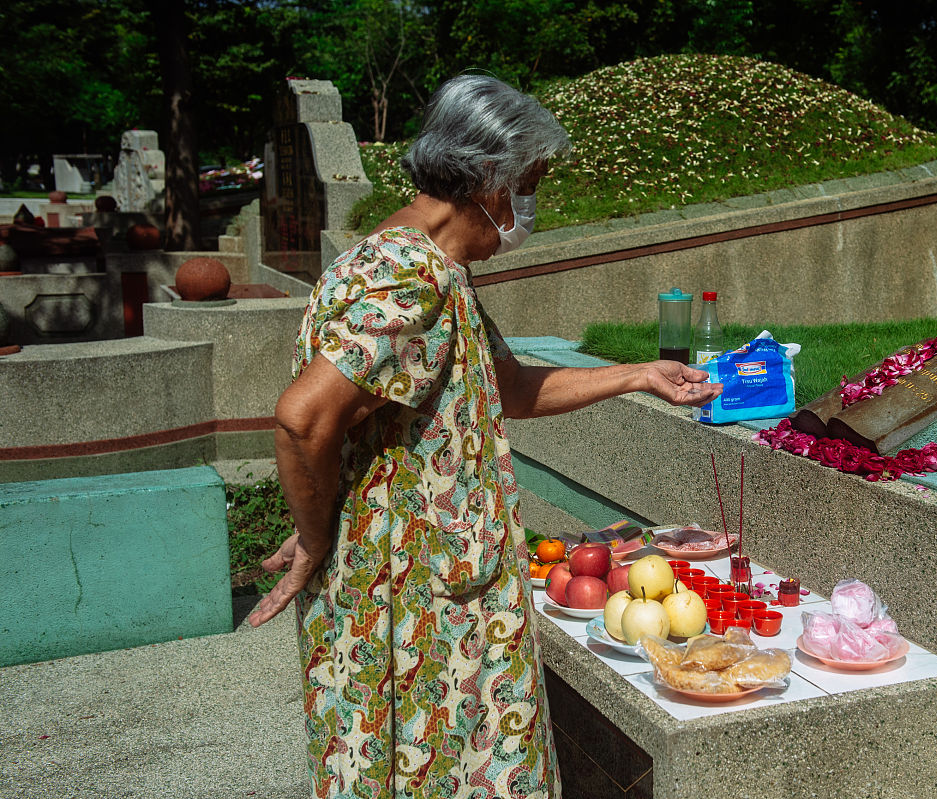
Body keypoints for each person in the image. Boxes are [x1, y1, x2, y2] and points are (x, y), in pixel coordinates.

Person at [247, 74, 722, 799]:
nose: (530, 207)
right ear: (490, 181)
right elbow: (303, 417)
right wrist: (314, 536)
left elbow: (495, 385)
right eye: (529, 184)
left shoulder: (417, 263)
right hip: (417, 612)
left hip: (421, 590)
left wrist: (637, 375)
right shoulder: (413, 277)